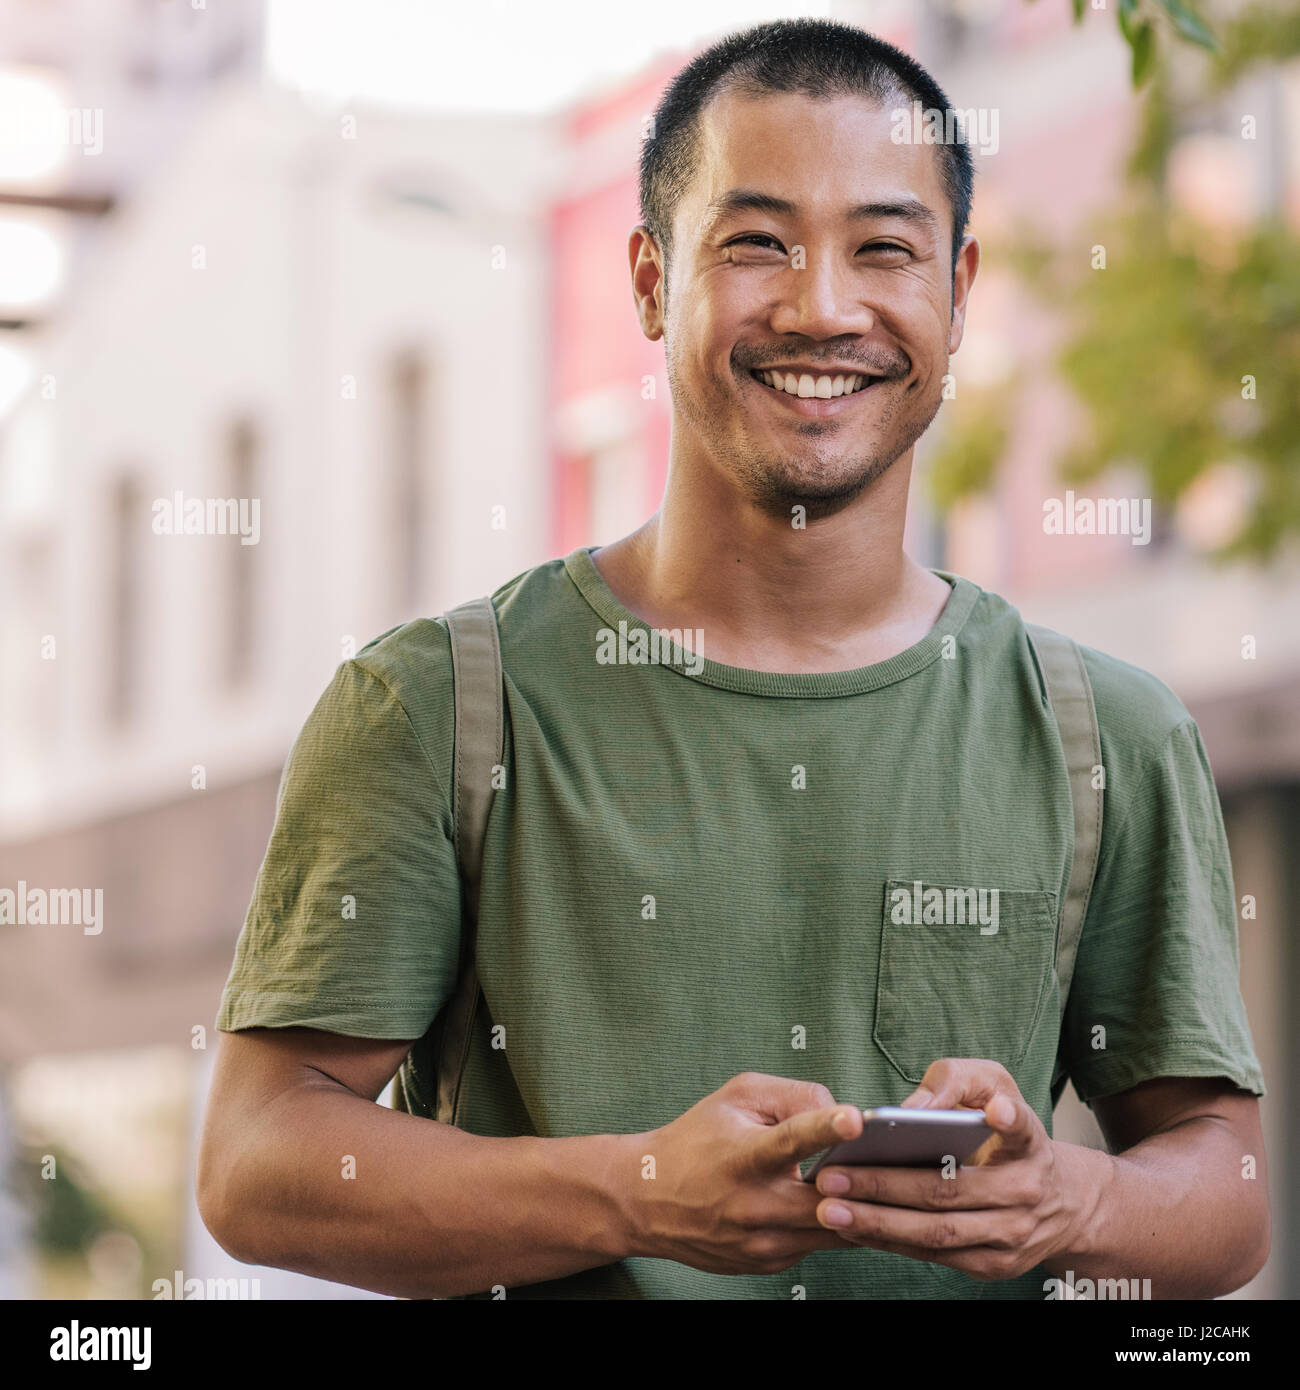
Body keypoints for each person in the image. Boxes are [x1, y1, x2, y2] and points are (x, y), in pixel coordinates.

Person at [197, 18, 1268, 1299]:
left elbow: (1225, 1190)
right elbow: (256, 1159)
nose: (823, 306)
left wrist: (1066, 1194)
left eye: (884, 248)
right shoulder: (435, 706)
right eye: (756, 242)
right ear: (651, 282)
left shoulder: (1108, 732)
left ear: (960, 291)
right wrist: (636, 1190)